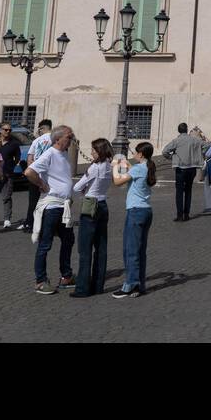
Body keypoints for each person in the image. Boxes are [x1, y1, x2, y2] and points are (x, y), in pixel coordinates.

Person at [25, 125, 76, 293]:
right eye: (69, 136)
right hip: (52, 206)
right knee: (45, 244)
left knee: (68, 240)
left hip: (64, 206)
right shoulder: (49, 154)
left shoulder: (64, 154)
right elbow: (29, 172)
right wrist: (42, 184)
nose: (72, 138)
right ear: (58, 139)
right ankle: (40, 280)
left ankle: (66, 276)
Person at [111, 142, 156, 298]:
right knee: (140, 250)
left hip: (135, 211)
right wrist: (124, 162)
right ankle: (139, 285)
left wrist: (116, 165)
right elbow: (132, 170)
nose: (134, 155)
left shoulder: (138, 168)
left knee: (130, 250)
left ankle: (129, 285)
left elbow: (117, 182)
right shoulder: (148, 167)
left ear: (141, 154)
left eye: (136, 153)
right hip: (146, 211)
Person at [72, 138, 113, 297]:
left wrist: (85, 186)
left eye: (94, 151)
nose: (91, 153)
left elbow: (77, 187)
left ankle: (82, 288)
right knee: (101, 247)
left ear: (100, 152)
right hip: (103, 204)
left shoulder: (94, 168)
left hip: (90, 205)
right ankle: (98, 285)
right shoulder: (109, 166)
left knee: (85, 248)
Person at [162, 122, 205, 221]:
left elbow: (164, 151)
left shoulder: (176, 141)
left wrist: (172, 157)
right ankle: (187, 214)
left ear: (179, 130)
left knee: (179, 192)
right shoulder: (195, 140)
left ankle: (180, 215)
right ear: (186, 130)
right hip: (192, 168)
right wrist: (199, 154)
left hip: (180, 168)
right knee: (188, 190)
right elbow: (206, 145)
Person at [23, 119, 54, 232]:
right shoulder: (57, 140)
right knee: (50, 201)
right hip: (50, 176)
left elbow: (30, 159)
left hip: (36, 174)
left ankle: (30, 224)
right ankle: (47, 225)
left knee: (33, 201)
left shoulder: (36, 141)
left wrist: (32, 173)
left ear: (41, 129)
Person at [0, 122, 21, 228]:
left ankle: (7, 219)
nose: (8, 132)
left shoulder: (14, 143)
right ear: (1, 130)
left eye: (10, 130)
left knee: (7, 196)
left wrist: (12, 165)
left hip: (8, 173)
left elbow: (18, 157)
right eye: (6, 130)